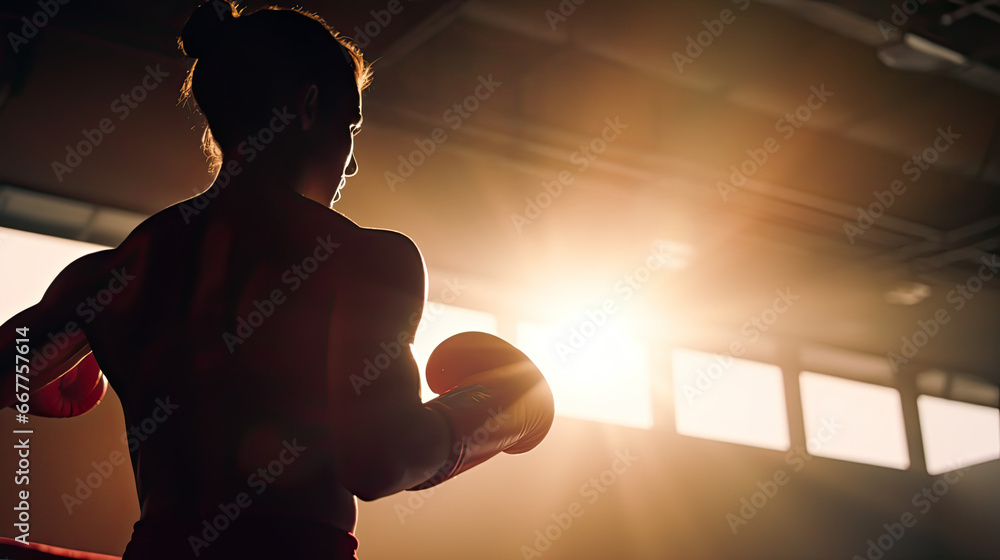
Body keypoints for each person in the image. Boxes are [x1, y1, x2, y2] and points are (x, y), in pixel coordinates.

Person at [0, 2, 553, 559]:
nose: (353, 163)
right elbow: (382, 458)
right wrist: (508, 404)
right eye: (350, 125)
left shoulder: (112, 272)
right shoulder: (365, 257)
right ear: (308, 107)